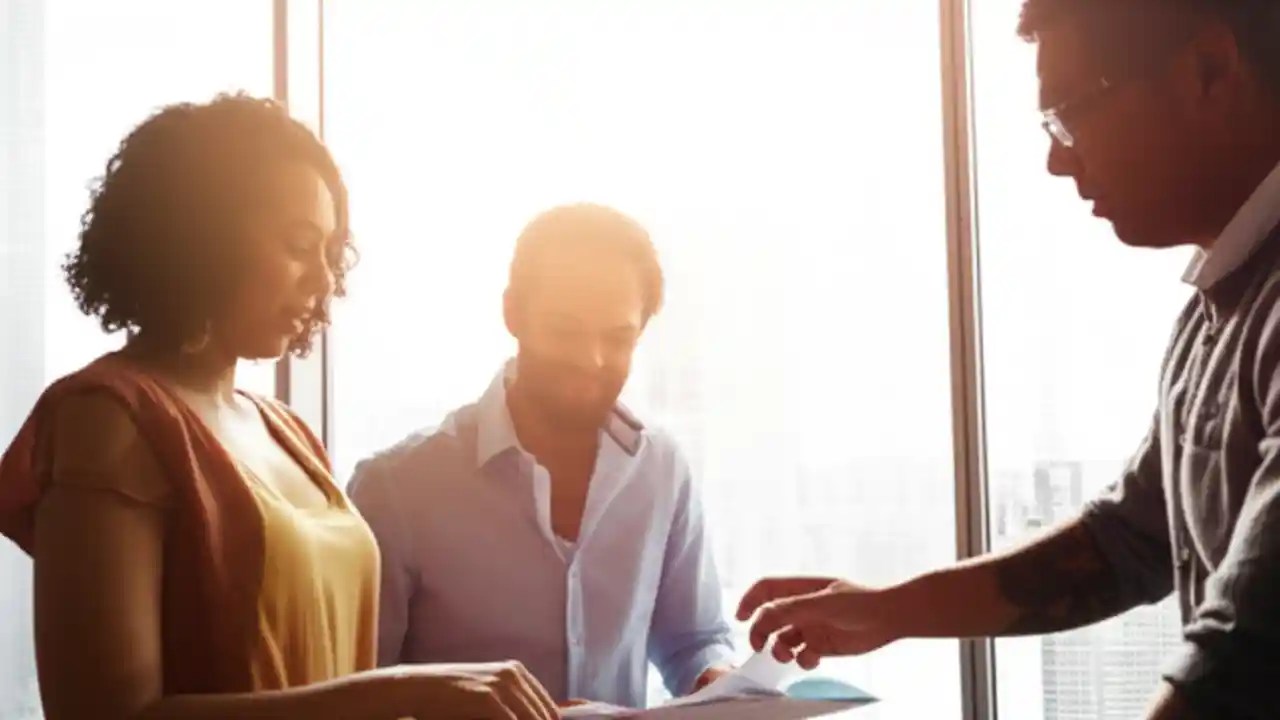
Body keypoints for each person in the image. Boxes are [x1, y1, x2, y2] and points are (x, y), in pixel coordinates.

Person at [738, 2, 1280, 719]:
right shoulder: (1219, 305)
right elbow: (1127, 542)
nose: (1058, 157)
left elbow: (1249, 651)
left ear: (1208, 71)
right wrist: (888, 611)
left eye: (1071, 112)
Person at [0, 94, 557, 720]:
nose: (323, 280)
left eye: (329, 253)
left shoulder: (284, 430)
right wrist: (406, 689)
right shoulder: (109, 418)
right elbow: (103, 715)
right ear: (199, 236)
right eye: (299, 245)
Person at [348, 203, 734, 708]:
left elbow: (694, 640)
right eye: (565, 331)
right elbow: (354, 697)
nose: (590, 360)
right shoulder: (397, 489)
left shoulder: (662, 470)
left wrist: (718, 683)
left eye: (617, 338)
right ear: (513, 313)